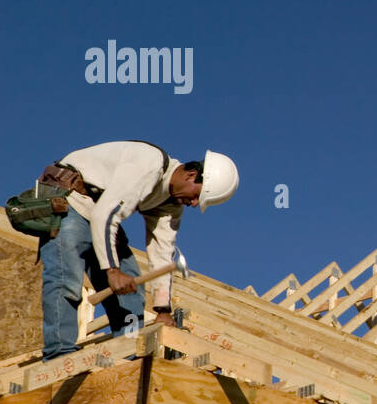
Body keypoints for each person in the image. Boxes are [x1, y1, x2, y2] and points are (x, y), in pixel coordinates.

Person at [39, 141, 238, 359]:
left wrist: (163, 310)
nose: (192, 204)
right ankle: (59, 355)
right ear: (191, 176)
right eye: (195, 196)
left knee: (132, 287)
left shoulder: (172, 204)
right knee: (65, 278)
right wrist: (112, 271)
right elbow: (104, 215)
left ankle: (130, 353)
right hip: (69, 198)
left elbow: (162, 253)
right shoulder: (149, 165)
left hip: (97, 210)